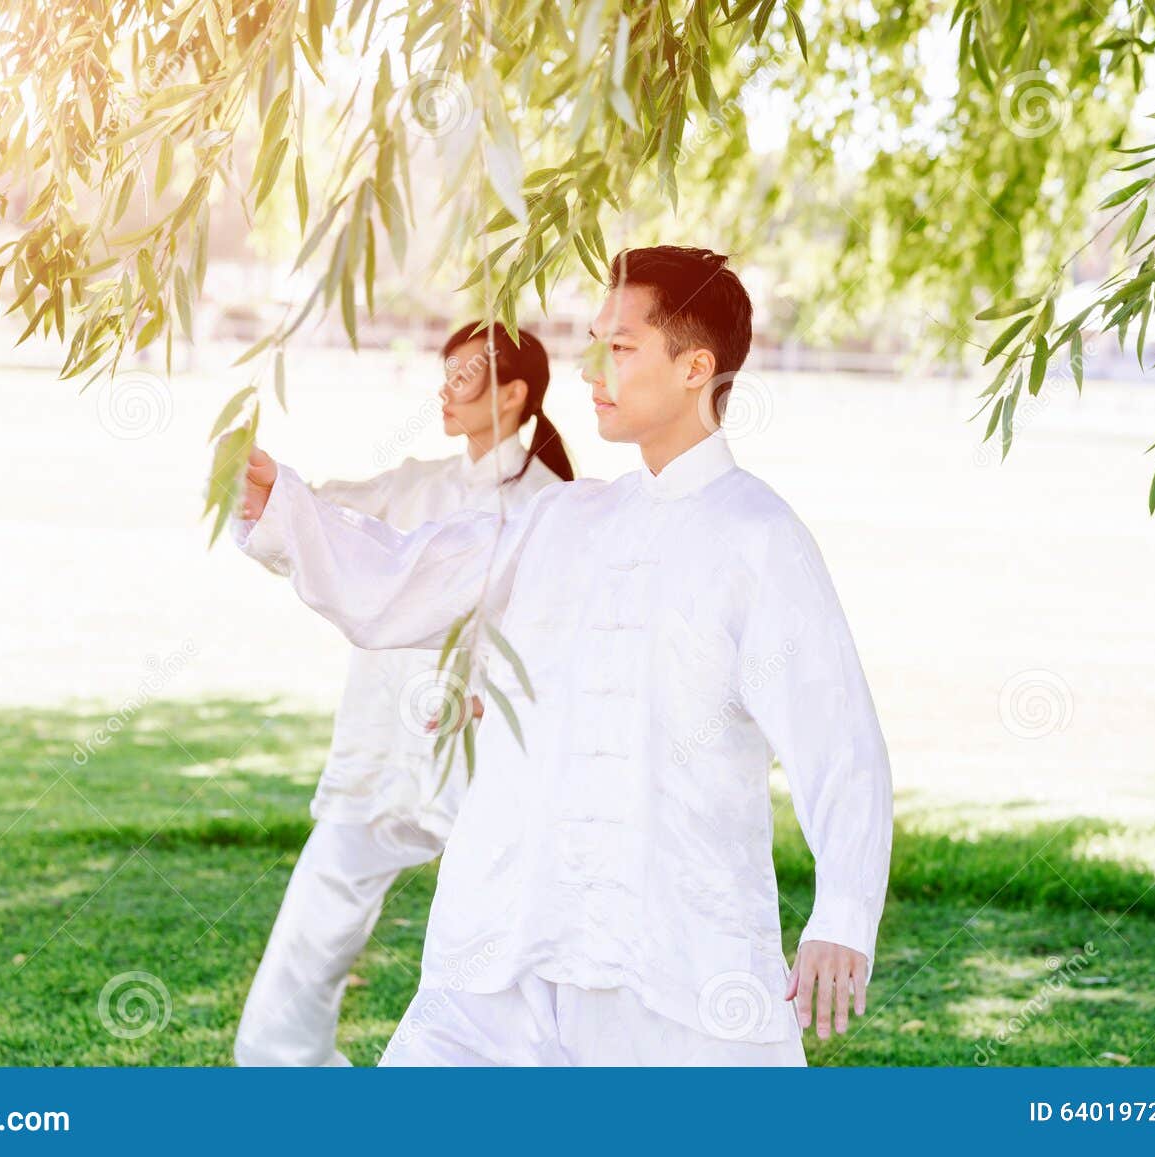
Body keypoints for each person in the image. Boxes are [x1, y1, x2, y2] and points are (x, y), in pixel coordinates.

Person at [236, 246, 893, 1066]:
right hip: (504, 948)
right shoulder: (564, 518)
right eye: (594, 343)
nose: (591, 369)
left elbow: (838, 737)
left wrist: (843, 912)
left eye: (620, 347)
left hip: (674, 963)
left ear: (696, 367)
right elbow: (404, 577)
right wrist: (282, 507)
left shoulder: (758, 538)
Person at [233, 322, 573, 1066]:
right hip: (384, 751)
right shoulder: (416, 483)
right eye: (444, 374)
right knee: (315, 920)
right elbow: (325, 522)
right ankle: (282, 1073)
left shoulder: (554, 508)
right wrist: (261, 491)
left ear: (512, 395)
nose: (444, 392)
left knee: (507, 945)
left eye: (463, 377)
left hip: (488, 755)